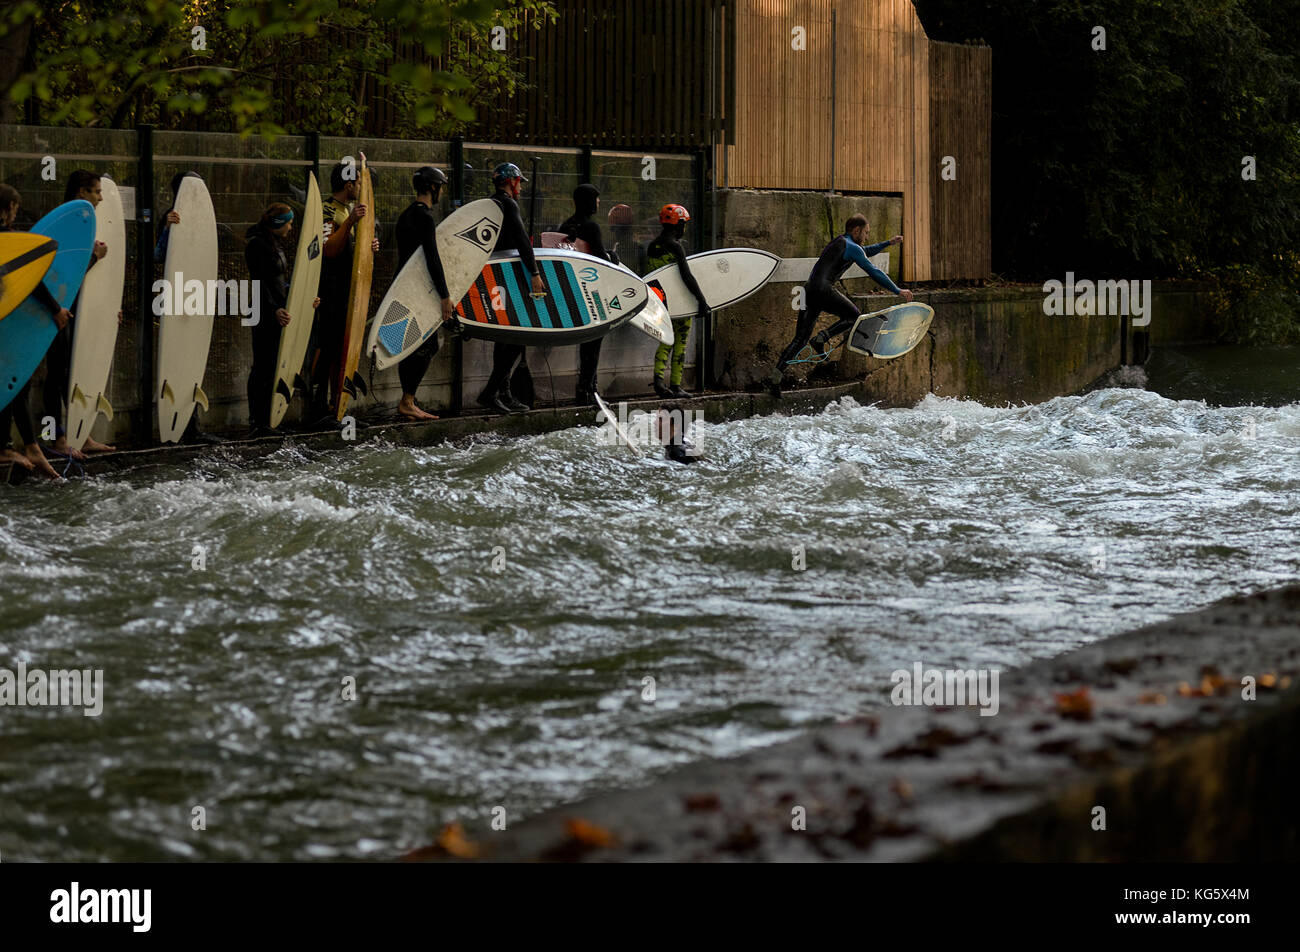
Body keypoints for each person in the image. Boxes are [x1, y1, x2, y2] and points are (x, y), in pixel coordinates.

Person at [768, 214, 912, 397]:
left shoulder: (842, 242)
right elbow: (874, 271)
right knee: (854, 316)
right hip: (823, 290)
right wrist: (898, 290)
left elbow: (865, 250)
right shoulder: (852, 247)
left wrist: (888, 243)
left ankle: (775, 378)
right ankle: (822, 338)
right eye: (866, 232)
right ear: (856, 230)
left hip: (809, 290)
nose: (867, 236)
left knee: (800, 339)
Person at [0, 183, 72, 479]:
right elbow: (34, 281)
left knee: (13, 380)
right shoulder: (8, 241)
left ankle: (22, 445)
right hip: (9, 320)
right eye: (14, 208)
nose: (16, 214)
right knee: (14, 380)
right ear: (5, 209)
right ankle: (20, 446)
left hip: (8, 318)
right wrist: (55, 310)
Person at [43, 169, 115, 458]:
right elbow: (64, 276)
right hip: (52, 308)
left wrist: (106, 309)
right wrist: (95, 258)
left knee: (72, 373)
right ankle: (56, 439)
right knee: (56, 375)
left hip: (71, 309)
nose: (100, 197)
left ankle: (80, 434)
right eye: (96, 191)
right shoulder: (68, 223)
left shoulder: (83, 222)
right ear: (81, 193)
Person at [309, 160, 380, 425]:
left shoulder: (347, 209)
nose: (360, 187)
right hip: (330, 291)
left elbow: (351, 248)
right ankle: (323, 407)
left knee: (344, 350)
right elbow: (328, 249)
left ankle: (338, 406)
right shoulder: (329, 209)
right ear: (349, 184)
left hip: (348, 292)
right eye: (359, 183)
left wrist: (368, 245)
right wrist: (350, 222)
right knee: (329, 348)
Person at [155, 171, 221, 444]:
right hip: (173, 300)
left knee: (194, 359)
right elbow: (159, 256)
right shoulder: (169, 218)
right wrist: (167, 229)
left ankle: (190, 426)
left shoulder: (205, 220)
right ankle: (171, 424)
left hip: (197, 299)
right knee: (176, 360)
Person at [244, 202, 320, 435]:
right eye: (288, 222)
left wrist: (303, 300)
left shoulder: (274, 244)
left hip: (277, 313)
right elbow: (258, 282)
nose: (290, 227)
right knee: (263, 367)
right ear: (278, 223)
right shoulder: (257, 245)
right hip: (263, 313)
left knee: (272, 365)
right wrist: (274, 308)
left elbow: (281, 283)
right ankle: (257, 422)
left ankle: (266, 420)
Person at [476, 162, 545, 415]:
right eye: (519, 182)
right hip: (506, 277)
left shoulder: (489, 204)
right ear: (511, 181)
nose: (521, 188)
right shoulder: (508, 204)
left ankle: (502, 393)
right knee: (517, 336)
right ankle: (491, 392)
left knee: (503, 336)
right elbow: (522, 241)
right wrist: (535, 273)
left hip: (490, 275)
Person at [392, 166, 452, 421]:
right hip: (418, 290)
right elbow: (432, 258)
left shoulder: (405, 215)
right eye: (440, 187)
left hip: (402, 287)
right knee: (426, 344)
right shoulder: (425, 217)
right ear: (432, 188)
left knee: (412, 344)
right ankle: (407, 401)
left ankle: (408, 400)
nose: (441, 192)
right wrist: (444, 295)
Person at [556, 183, 616, 406]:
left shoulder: (566, 225)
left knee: (586, 341)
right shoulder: (591, 227)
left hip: (573, 289)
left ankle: (586, 389)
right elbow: (601, 259)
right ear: (589, 201)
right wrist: (613, 256)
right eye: (596, 198)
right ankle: (589, 389)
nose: (599, 203)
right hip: (593, 291)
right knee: (593, 342)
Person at [647, 204, 709, 399]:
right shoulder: (675, 246)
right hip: (679, 302)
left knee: (664, 340)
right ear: (679, 224)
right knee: (679, 342)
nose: (685, 228)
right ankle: (675, 385)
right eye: (684, 224)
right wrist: (701, 300)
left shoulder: (652, 246)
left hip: (659, 302)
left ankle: (658, 380)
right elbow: (686, 276)